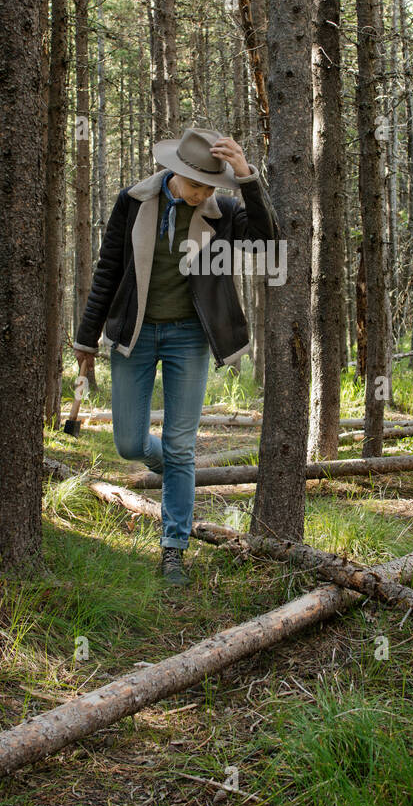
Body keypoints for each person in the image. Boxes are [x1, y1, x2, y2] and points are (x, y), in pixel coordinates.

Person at [74, 127, 280, 585]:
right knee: (129, 444)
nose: (202, 193)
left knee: (181, 445)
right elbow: (108, 270)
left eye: (211, 185)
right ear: (174, 172)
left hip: (190, 336)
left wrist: (246, 178)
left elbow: (266, 243)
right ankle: (177, 473)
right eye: (195, 185)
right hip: (136, 334)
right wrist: (87, 340)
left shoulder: (223, 210)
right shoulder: (133, 202)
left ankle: (174, 548)